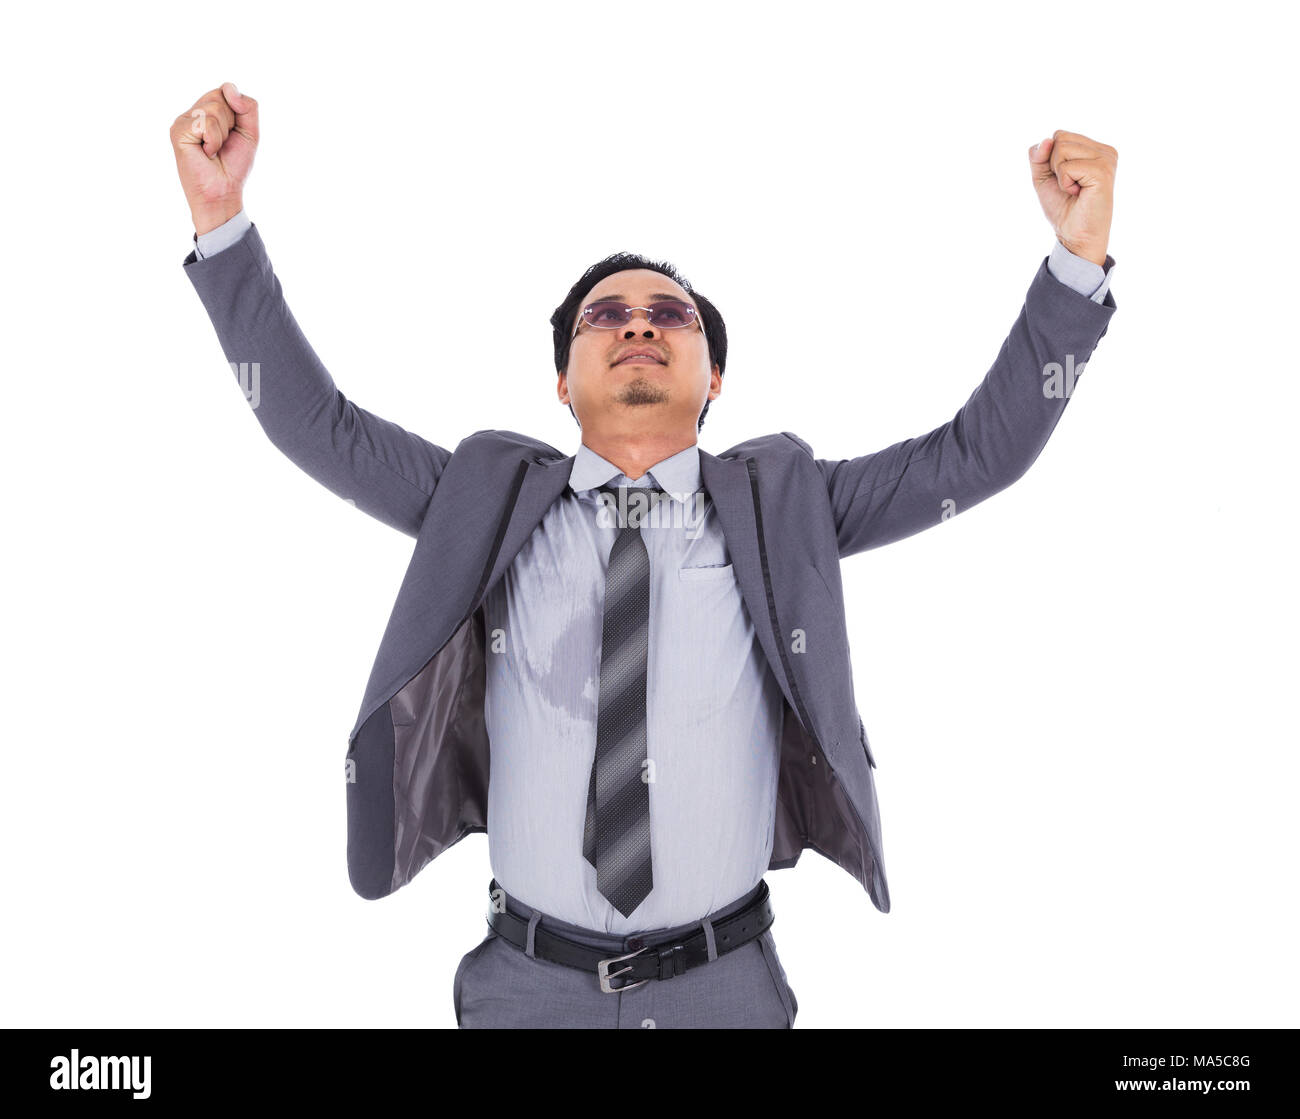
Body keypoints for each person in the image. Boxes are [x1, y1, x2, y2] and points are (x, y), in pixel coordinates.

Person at [170, 82, 1119, 1028]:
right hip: (525, 987)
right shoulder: (485, 500)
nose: (637, 325)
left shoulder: (782, 505)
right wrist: (221, 221)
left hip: (724, 985)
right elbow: (315, 425)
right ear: (560, 381)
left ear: (715, 379)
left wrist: (1075, 262)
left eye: (671, 318)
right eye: (606, 316)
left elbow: (977, 454)